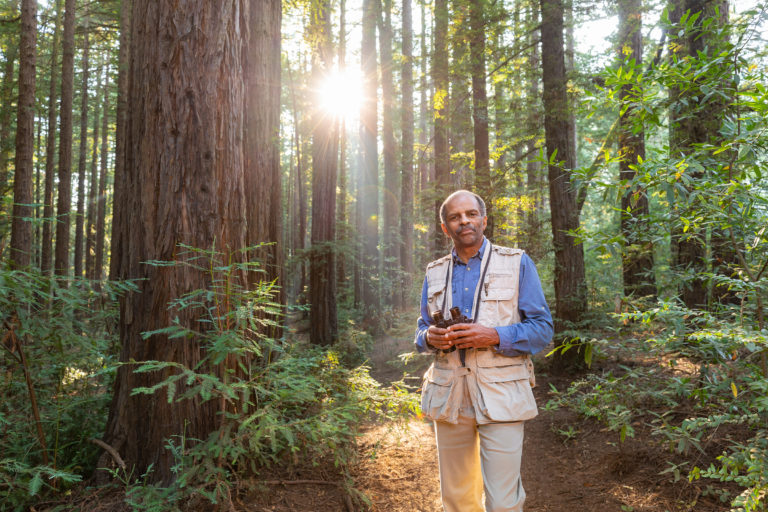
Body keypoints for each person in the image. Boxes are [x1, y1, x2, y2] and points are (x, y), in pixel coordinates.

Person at [414, 190, 553, 512]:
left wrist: (493, 335)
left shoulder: (516, 262)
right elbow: (420, 329)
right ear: (445, 227)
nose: (464, 221)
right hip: (449, 395)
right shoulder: (433, 271)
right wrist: (429, 338)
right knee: (457, 499)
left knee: (503, 503)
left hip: (501, 393)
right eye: (454, 217)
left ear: (484, 220)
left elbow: (542, 329)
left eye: (471, 214)